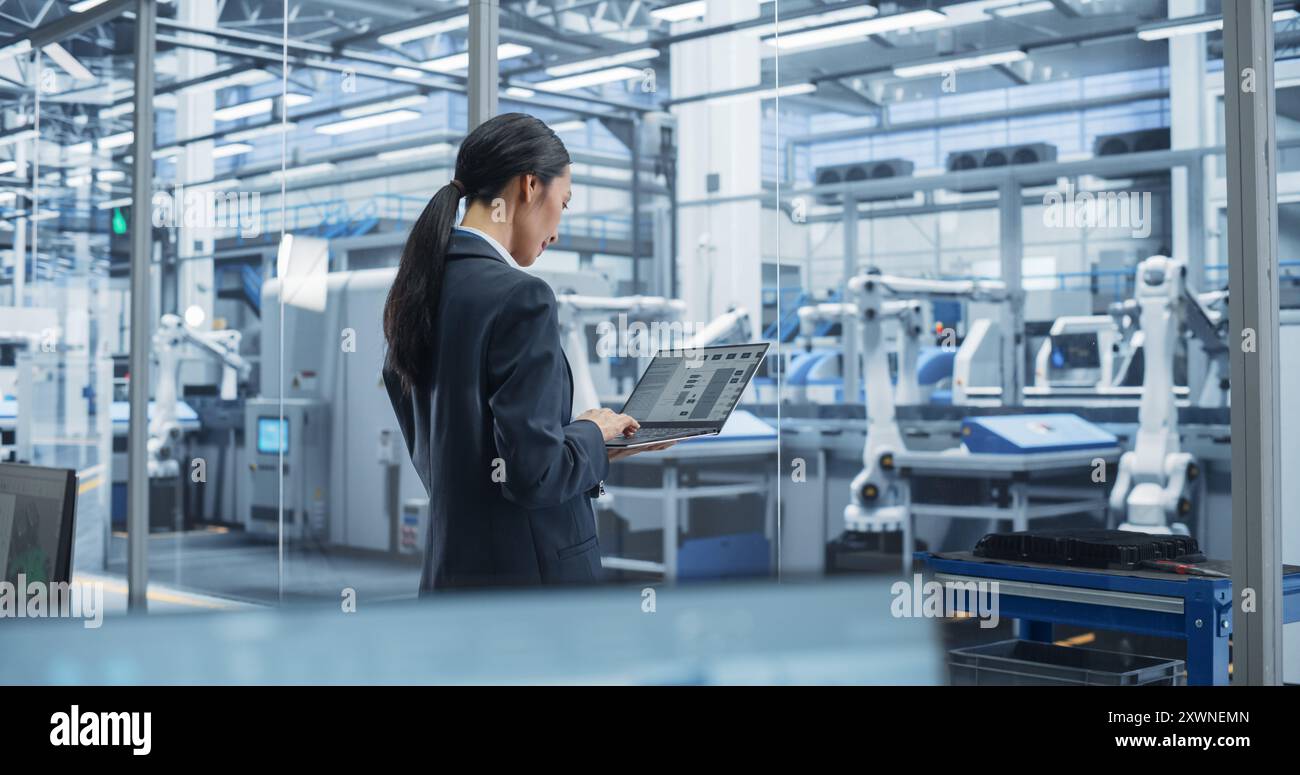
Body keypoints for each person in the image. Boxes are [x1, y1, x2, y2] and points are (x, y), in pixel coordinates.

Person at [382, 112, 671, 592]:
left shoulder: (420, 288)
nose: (557, 230)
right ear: (529, 187)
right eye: (564, 203)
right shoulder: (522, 297)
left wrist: (590, 448)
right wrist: (591, 431)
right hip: (529, 586)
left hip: (451, 576)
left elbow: (453, 460)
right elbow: (533, 476)